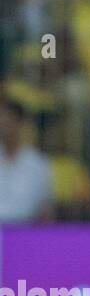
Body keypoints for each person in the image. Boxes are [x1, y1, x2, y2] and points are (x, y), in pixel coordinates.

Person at [0, 95, 54, 223]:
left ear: (20, 123)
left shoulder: (38, 163)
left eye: (9, 121)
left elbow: (46, 211)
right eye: (1, 122)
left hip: (27, 234)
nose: (4, 127)